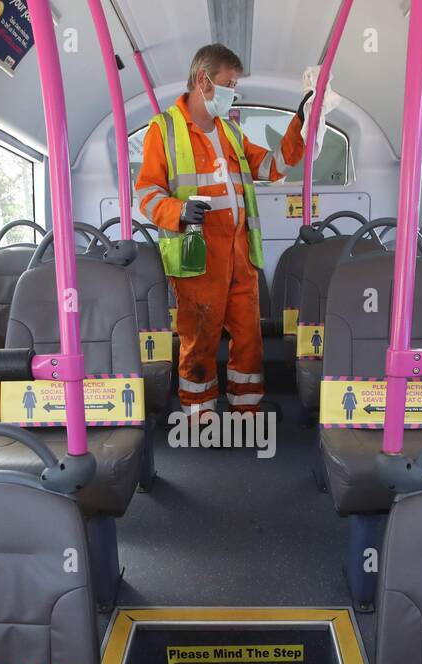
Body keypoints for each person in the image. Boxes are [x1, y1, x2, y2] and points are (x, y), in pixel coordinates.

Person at [136, 44, 322, 419]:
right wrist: (179, 211)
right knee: (200, 341)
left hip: (240, 256)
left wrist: (300, 123)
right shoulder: (165, 130)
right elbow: (146, 193)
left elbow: (273, 166)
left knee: (249, 340)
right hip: (197, 257)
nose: (232, 92)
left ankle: (246, 411)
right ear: (204, 81)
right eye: (228, 83)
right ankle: (199, 415)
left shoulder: (232, 133)